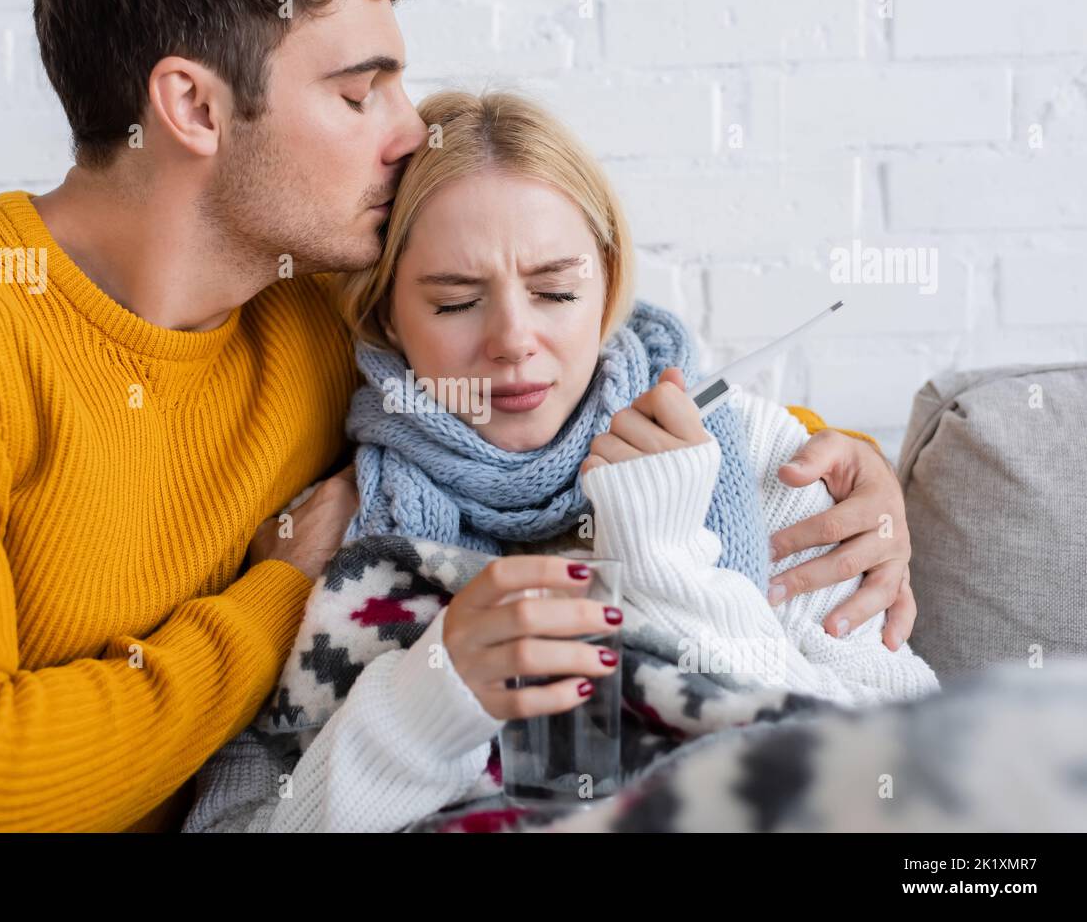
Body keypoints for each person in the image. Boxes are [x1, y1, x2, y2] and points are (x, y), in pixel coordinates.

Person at [0, 0, 915, 832]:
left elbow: (576, 383)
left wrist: (838, 467)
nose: (408, 130)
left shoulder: (326, 306)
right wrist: (279, 591)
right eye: (359, 89)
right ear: (191, 104)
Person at [184, 89, 938, 834]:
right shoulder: (333, 536)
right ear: (387, 315)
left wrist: (669, 565)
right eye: (453, 302)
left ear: (607, 280)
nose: (513, 340)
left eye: (554, 290)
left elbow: (920, 776)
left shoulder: (780, 470)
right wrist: (425, 703)